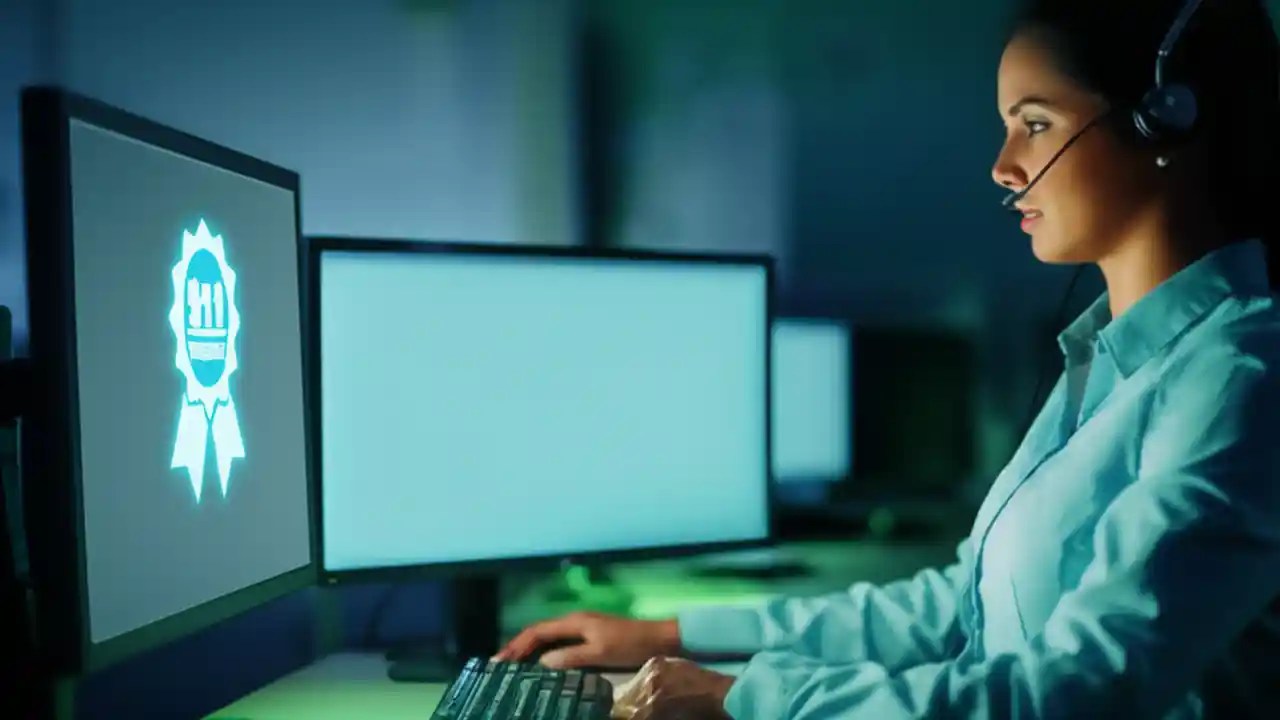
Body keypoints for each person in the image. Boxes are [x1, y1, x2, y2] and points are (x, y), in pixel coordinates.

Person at [496, 0, 1280, 716]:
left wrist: (750, 700)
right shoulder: (1111, 360)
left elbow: (1076, 692)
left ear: (1163, 121)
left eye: (1034, 123)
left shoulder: (1238, 378)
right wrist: (672, 632)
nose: (1003, 167)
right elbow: (957, 608)